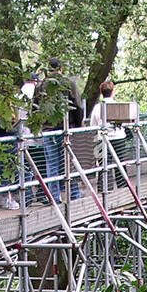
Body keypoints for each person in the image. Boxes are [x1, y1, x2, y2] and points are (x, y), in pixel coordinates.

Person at [30, 58, 84, 203]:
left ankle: (54, 197)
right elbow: (78, 106)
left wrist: (39, 124)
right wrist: (78, 124)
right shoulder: (68, 84)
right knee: (69, 162)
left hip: (48, 129)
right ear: (60, 68)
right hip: (67, 128)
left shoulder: (41, 86)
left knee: (51, 163)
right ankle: (74, 195)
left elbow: (34, 107)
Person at [87, 78, 129, 191]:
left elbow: (93, 125)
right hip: (119, 138)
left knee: (104, 165)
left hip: (102, 139)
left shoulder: (97, 107)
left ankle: (104, 190)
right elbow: (124, 123)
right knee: (120, 164)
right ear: (112, 91)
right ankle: (123, 188)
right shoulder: (118, 106)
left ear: (101, 92)